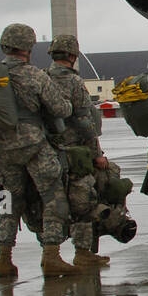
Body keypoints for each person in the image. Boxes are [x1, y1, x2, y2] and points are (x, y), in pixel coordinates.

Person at [0, 23, 76, 279]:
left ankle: (4, 258)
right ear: (28, 48)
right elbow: (60, 109)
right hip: (33, 146)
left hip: (1, 149)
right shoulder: (35, 76)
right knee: (53, 197)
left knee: (8, 202)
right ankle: (51, 255)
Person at [45, 35, 113, 270]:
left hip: (49, 152)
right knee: (85, 200)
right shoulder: (73, 82)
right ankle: (82, 252)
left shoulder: (42, 78)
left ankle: (51, 254)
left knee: (54, 202)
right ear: (72, 56)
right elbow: (84, 120)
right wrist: (97, 153)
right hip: (76, 154)